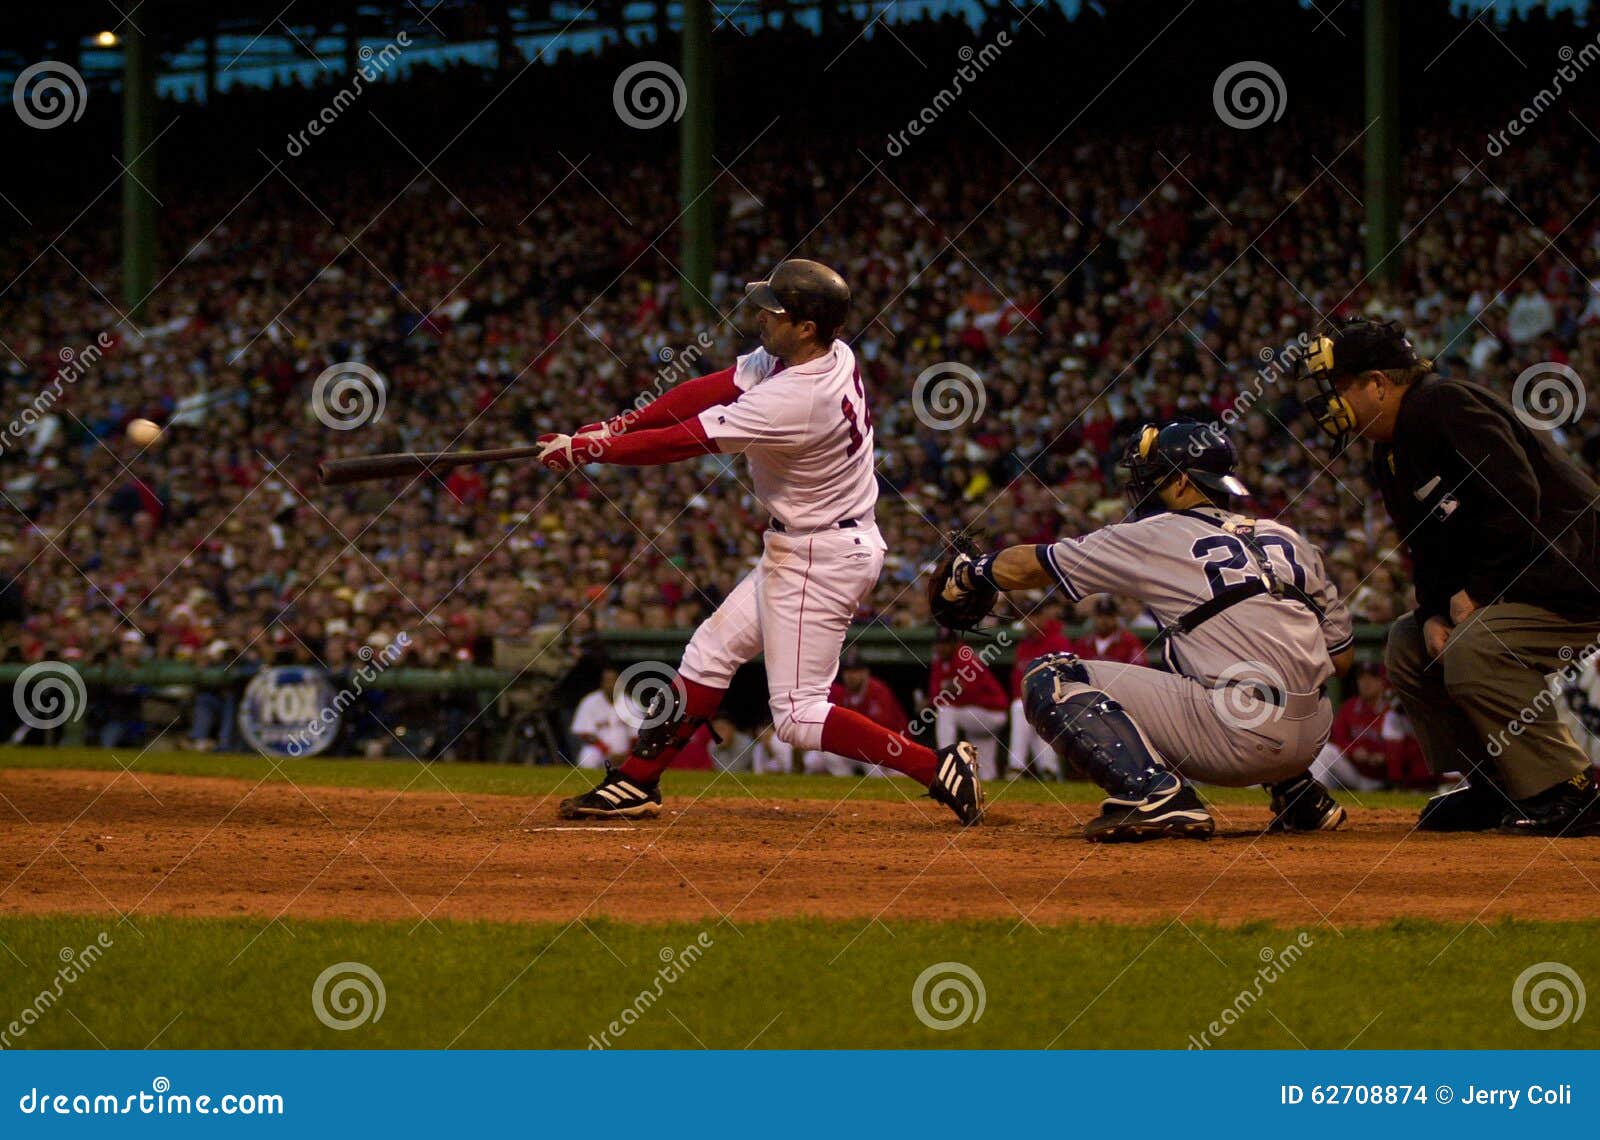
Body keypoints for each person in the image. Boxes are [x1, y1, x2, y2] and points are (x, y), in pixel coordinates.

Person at [539, 259, 983, 823]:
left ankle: (937, 767)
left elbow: (685, 441)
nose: (758, 316)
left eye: (773, 311)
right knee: (709, 652)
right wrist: (618, 428)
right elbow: (711, 387)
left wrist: (590, 451)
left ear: (806, 326)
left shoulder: (798, 397)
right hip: (806, 543)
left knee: (797, 716)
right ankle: (636, 781)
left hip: (822, 555)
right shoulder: (823, 353)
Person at [933, 421, 1355, 842]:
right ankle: (1299, 794)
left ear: (1183, 482)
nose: (1144, 488)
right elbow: (1341, 659)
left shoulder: (1157, 533)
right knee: (1233, 650)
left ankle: (1154, 795)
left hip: (1241, 742)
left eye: (1152, 477)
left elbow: (1035, 564)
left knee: (1052, 676)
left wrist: (970, 573)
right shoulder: (1286, 536)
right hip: (1314, 734)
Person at [1302, 317, 1600, 835]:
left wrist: (1475, 595)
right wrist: (1437, 610)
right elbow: (1428, 547)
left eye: (1341, 387)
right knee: (1409, 644)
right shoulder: (1388, 449)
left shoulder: (1446, 404)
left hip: (1574, 576)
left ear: (1378, 383)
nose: (1334, 402)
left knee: (1473, 648)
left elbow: (1517, 502)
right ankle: (1497, 784)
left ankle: (1568, 790)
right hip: (1528, 583)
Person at [804, 649, 909, 776]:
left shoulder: (878, 691)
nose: (851, 676)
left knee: (871, 756)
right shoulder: (844, 694)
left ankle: (876, 788)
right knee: (816, 760)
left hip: (893, 748)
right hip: (860, 747)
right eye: (847, 671)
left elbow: (882, 730)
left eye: (855, 671)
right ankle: (847, 787)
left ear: (865, 673)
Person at [928, 629, 1009, 780]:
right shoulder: (940, 661)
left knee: (946, 711)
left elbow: (970, 694)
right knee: (985, 771)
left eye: (946, 644)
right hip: (976, 714)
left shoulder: (965, 659)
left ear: (955, 644)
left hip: (992, 712)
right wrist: (951, 690)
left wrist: (948, 691)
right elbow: (935, 695)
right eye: (939, 643)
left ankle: (946, 765)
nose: (942, 647)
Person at [1007, 599, 1075, 779]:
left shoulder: (1058, 641)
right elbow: (1016, 682)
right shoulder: (1024, 645)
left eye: (1034, 616)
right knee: (1022, 708)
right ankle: (1048, 771)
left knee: (1024, 709)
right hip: (1033, 704)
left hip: (1060, 701)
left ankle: (1017, 767)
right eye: (1027, 617)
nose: (1030, 622)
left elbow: (1070, 676)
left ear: (1044, 616)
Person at [568, 665, 632, 770]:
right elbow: (585, 734)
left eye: (614, 681)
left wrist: (627, 754)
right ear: (602, 683)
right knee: (588, 757)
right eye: (608, 681)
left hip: (626, 753)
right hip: (600, 752)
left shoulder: (629, 703)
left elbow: (637, 736)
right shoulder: (590, 702)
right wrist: (607, 752)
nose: (611, 685)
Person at [1075, 594, 1146, 666]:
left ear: (1116, 617)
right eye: (1100, 616)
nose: (1104, 620)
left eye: (1109, 615)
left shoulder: (1129, 641)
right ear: (1094, 617)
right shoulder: (1084, 642)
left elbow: (1140, 666)